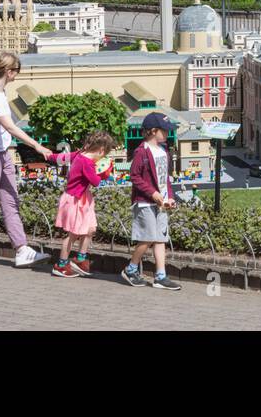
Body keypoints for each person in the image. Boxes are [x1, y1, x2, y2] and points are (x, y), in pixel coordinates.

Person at [0, 52, 52, 267]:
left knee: (11, 201)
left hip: (2, 154)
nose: (16, 76)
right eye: (16, 72)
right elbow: (10, 126)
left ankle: (21, 249)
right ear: (9, 72)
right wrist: (36, 145)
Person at [122, 112, 182, 290]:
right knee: (147, 238)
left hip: (161, 203)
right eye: (165, 130)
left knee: (160, 239)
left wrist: (169, 196)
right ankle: (131, 269)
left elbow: (166, 179)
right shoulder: (142, 152)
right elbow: (134, 176)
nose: (168, 133)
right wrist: (153, 193)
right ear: (153, 131)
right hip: (145, 202)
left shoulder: (163, 151)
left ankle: (160, 276)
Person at [48, 131, 117, 278]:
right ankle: (61, 265)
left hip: (82, 198)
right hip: (75, 200)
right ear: (101, 150)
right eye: (104, 155)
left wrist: (49, 156)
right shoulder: (87, 162)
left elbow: (62, 158)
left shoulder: (81, 153)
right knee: (73, 233)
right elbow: (96, 181)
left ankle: (80, 259)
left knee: (90, 229)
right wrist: (105, 173)